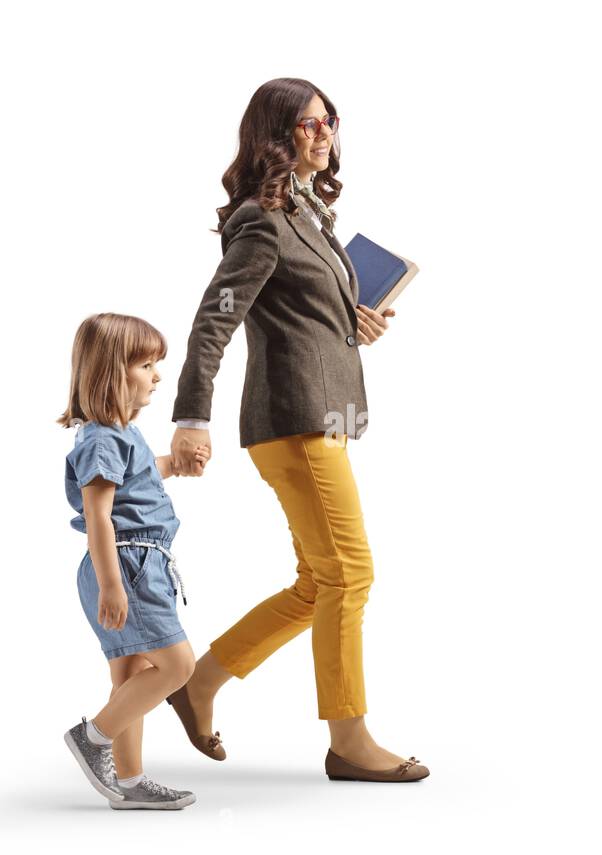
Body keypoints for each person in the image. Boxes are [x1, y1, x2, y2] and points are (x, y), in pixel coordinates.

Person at [164, 78, 429, 782]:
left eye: (329, 120)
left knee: (319, 582)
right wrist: (192, 419)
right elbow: (214, 320)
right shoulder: (262, 219)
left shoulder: (309, 215)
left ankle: (198, 684)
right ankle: (348, 739)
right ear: (275, 137)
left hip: (326, 414)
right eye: (306, 124)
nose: (323, 133)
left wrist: (351, 323)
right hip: (294, 418)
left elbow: (298, 315)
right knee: (351, 573)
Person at [55, 312, 211, 808]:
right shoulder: (102, 438)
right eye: (146, 365)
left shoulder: (120, 435)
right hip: (127, 564)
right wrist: (111, 585)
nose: (157, 376)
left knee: (130, 674)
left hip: (135, 562)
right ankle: (93, 737)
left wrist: (176, 465)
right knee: (178, 665)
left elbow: (139, 479)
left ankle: (128, 782)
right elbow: (99, 517)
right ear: (111, 374)